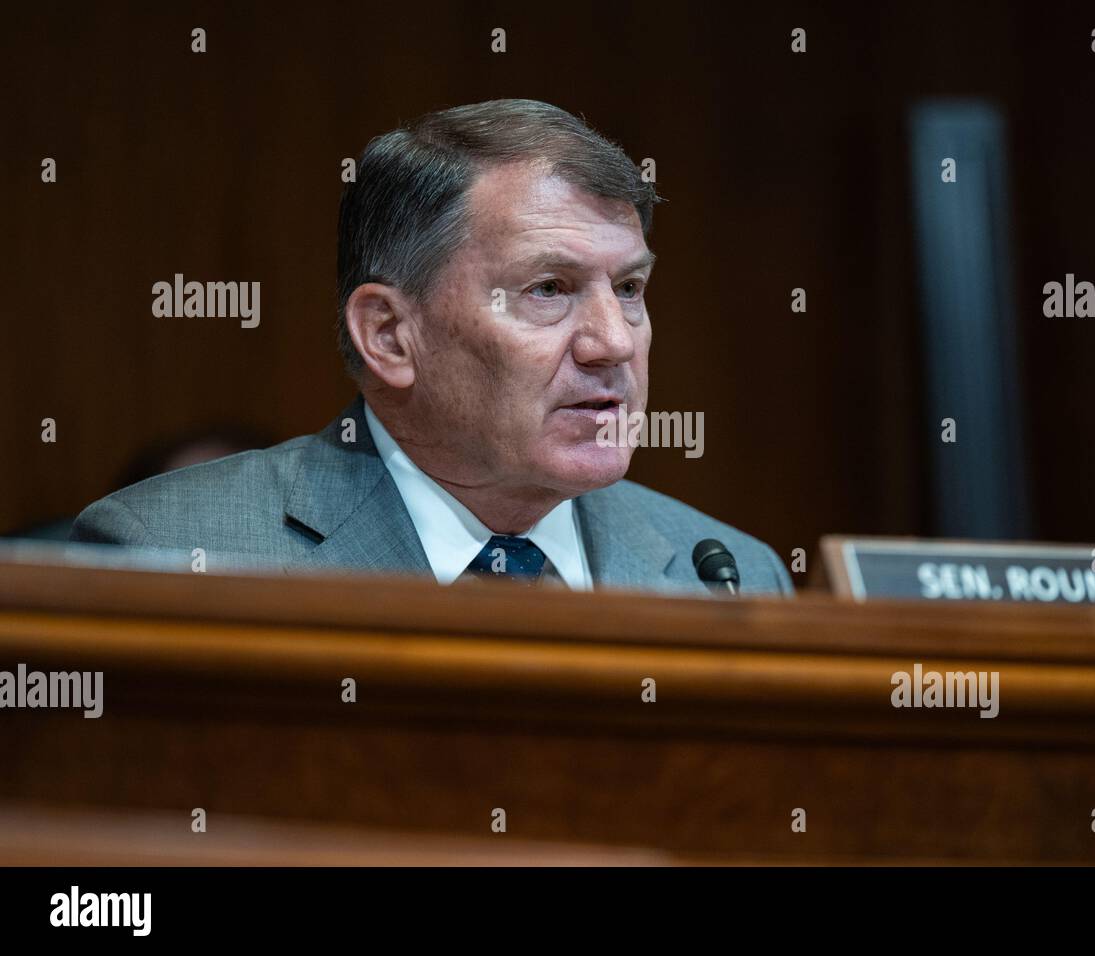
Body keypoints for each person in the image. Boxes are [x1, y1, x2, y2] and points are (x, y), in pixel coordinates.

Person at [71, 99, 792, 596]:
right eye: (548, 288)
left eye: (630, 289)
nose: (612, 342)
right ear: (389, 334)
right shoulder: (167, 555)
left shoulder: (729, 578)